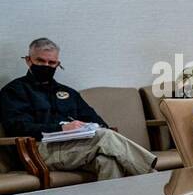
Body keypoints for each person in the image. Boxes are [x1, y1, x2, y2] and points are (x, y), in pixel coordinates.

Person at [0, 38, 157, 180]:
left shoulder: (68, 92)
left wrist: (87, 128)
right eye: (41, 61)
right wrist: (61, 128)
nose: (46, 66)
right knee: (106, 137)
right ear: (28, 60)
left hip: (77, 146)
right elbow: (17, 127)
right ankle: (154, 180)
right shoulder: (14, 91)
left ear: (58, 64)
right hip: (39, 151)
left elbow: (97, 121)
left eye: (52, 63)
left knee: (108, 161)